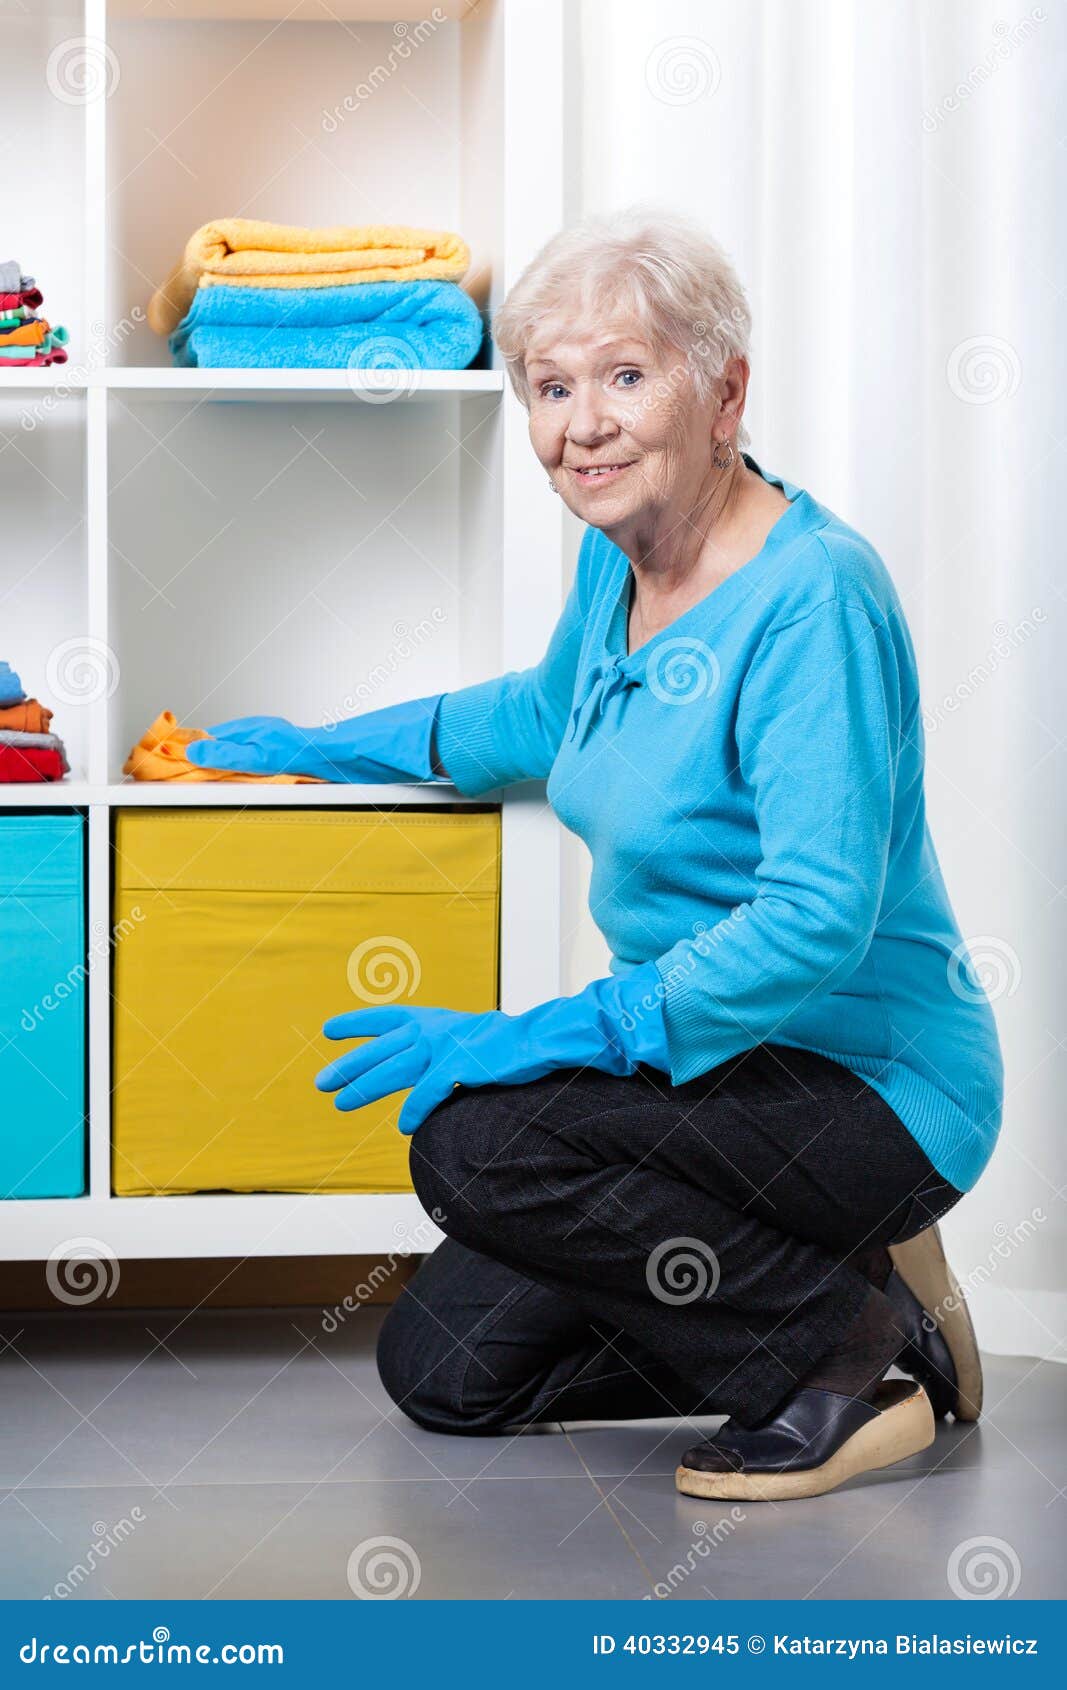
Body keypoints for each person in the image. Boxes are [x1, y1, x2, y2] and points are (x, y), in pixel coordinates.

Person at [187, 207, 1002, 1501]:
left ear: (724, 392)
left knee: (475, 1145)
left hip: (864, 1086)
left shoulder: (813, 597)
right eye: (550, 388)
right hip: (712, 1080)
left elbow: (815, 917)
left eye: (625, 376)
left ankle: (851, 1361)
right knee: (446, 1367)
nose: (583, 423)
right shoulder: (614, 565)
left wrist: (553, 1030)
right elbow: (539, 716)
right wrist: (315, 742)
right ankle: (852, 1304)